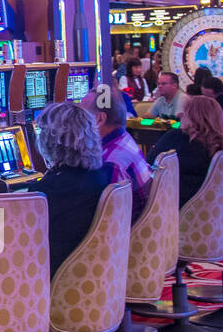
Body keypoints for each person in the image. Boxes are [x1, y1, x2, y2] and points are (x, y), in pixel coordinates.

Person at [31, 101, 113, 274]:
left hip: (52, 274)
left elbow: (21, 237)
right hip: (91, 271)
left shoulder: (49, 191)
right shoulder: (102, 174)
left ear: (50, 141)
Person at [146, 95, 223, 207]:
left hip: (177, 212)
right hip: (221, 212)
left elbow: (148, 165)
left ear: (188, 115)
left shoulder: (178, 137)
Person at [81, 85, 151, 220]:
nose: (77, 120)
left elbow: (102, 220)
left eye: (82, 114)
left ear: (100, 119)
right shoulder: (123, 140)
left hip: (125, 235)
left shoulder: (110, 163)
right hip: (137, 227)